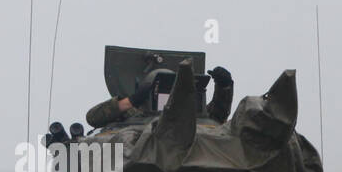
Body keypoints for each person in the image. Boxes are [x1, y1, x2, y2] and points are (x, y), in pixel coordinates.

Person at [85, 64, 233, 128]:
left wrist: (224, 86)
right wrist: (132, 101)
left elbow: (217, 116)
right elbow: (93, 117)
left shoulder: (194, 119)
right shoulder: (132, 117)